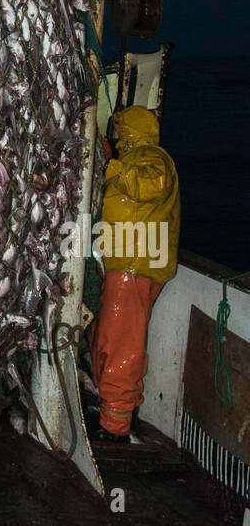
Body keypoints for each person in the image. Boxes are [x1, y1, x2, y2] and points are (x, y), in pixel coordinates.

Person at [88, 104, 180, 443]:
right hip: (122, 265)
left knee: (120, 342)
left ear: (133, 131)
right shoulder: (133, 159)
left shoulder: (154, 159)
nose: (119, 135)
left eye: (121, 130)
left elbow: (149, 186)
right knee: (104, 337)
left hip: (136, 266)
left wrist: (111, 168)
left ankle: (115, 425)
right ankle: (111, 406)